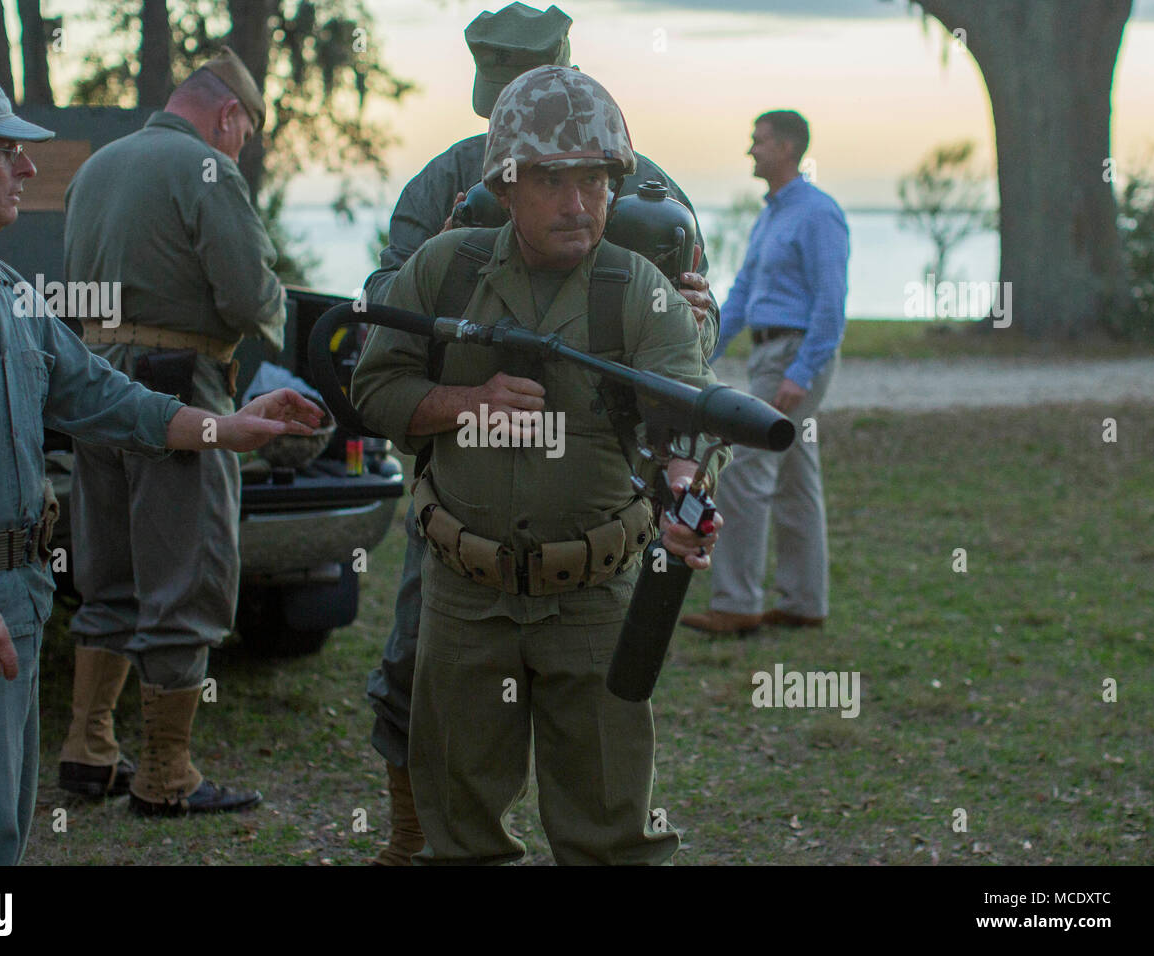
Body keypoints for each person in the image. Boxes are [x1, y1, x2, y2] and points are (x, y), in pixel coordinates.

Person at [0, 69, 323, 865]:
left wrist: (229, 428)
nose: (28, 169)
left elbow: (106, 397)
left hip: (16, 600)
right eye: (5, 150)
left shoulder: (2, 288)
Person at [360, 0, 719, 866]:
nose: (578, 202)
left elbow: (684, 404)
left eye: (594, 181)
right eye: (552, 181)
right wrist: (461, 403)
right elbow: (373, 381)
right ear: (505, 182)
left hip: (594, 591)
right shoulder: (444, 258)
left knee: (609, 832)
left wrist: (682, 488)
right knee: (461, 832)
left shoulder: (637, 277)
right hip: (463, 584)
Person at [58, 48, 289, 816]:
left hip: (93, 382)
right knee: (187, 572)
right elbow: (247, 294)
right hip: (179, 387)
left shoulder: (99, 166)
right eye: (245, 133)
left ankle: (88, 749)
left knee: (109, 573)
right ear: (229, 115)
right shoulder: (208, 170)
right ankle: (166, 775)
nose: (240, 148)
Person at [680, 110, 849, 636]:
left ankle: (737, 604)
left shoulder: (819, 213)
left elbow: (831, 302)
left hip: (794, 358)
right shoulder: (772, 215)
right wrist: (700, 351)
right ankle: (804, 603)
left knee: (745, 470)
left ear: (789, 148)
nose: (752, 150)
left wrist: (800, 372)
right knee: (797, 479)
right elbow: (744, 296)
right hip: (767, 354)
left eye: (761, 141)